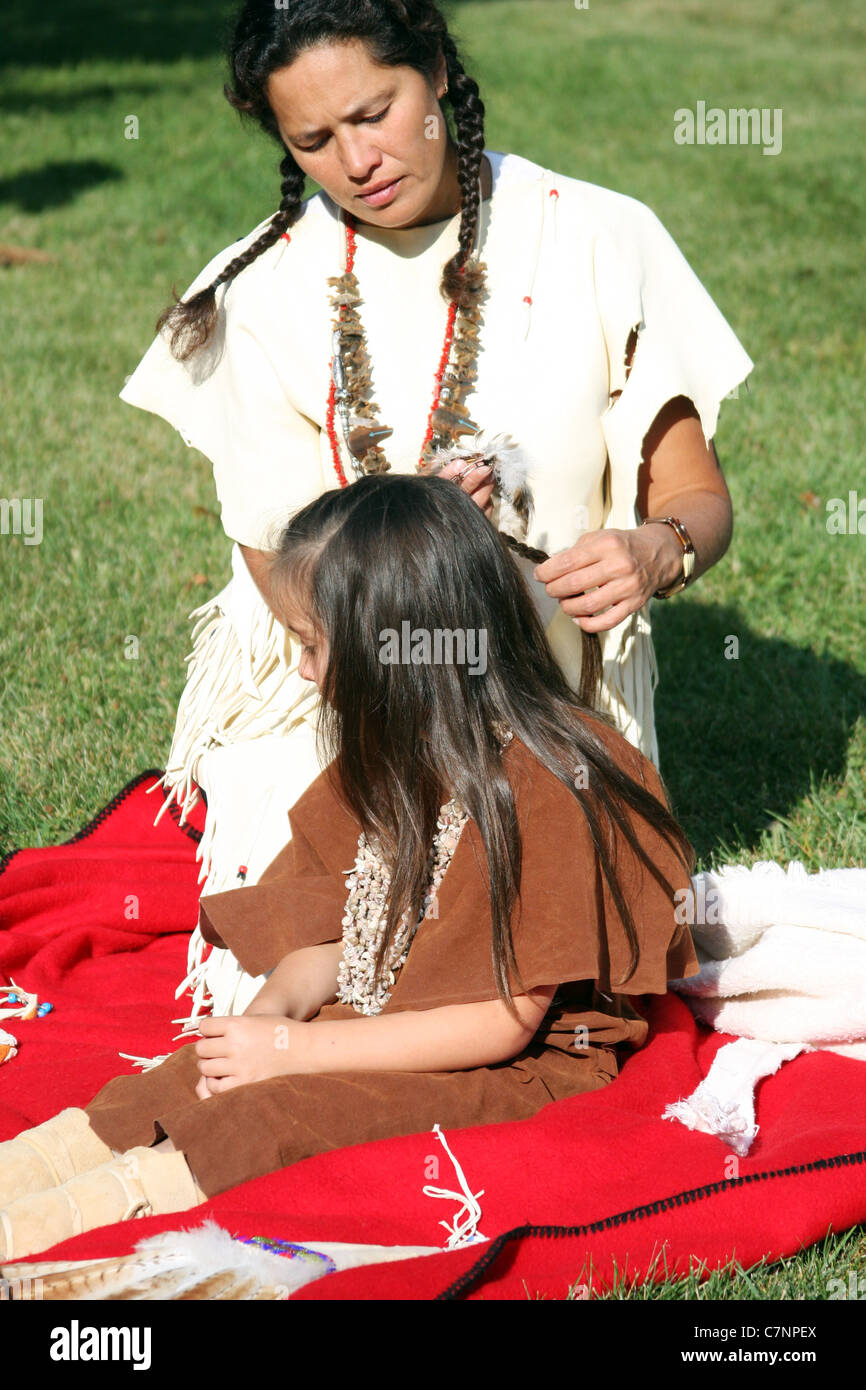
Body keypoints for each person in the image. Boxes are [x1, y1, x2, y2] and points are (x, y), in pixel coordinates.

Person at [117, 0, 753, 1019]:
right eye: (313, 140)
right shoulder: (265, 289)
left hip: (534, 696)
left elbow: (694, 499)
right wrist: (400, 547)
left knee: (511, 980)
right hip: (339, 693)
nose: (357, 158)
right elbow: (277, 574)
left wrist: (654, 549)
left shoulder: (592, 235)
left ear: (439, 74)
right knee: (294, 976)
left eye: (374, 111)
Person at [0, 474, 699, 1261]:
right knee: (177, 1082)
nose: (303, 671)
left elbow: (507, 1020)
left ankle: (57, 1230)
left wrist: (296, 1058)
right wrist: (270, 1019)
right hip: (396, 1011)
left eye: (311, 645)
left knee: (273, 1117)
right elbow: (348, 936)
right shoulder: (395, 751)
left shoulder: (550, 785)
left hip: (518, 1065)